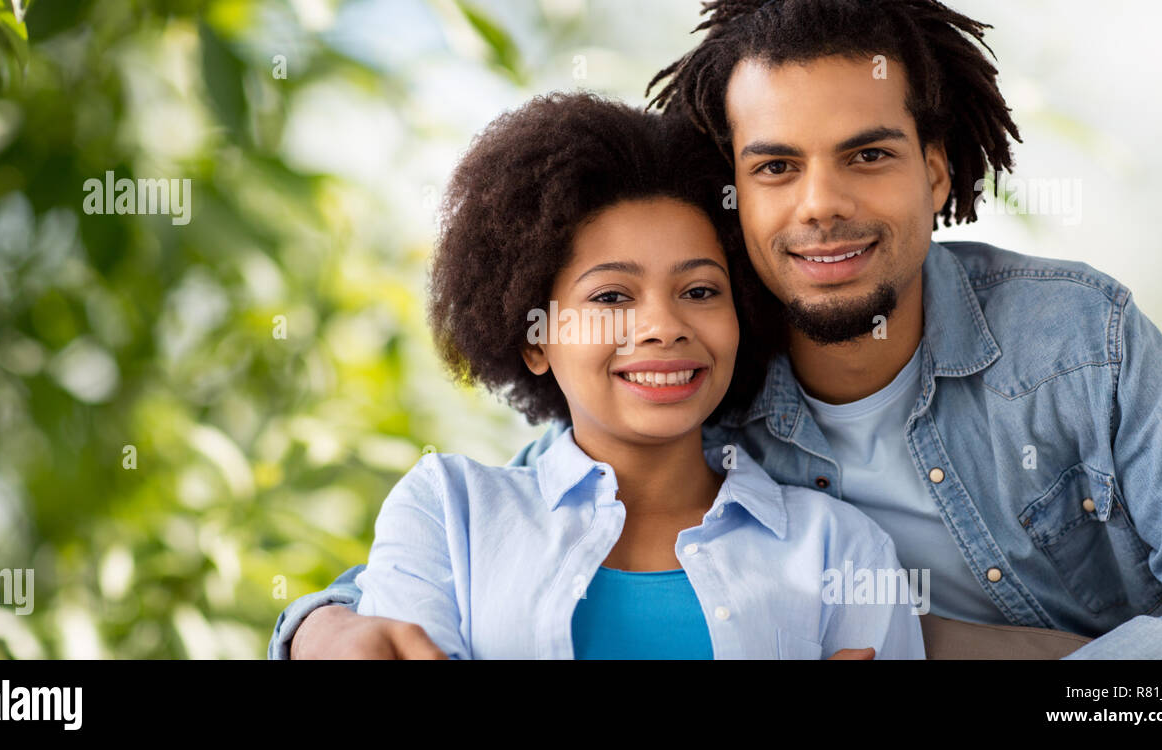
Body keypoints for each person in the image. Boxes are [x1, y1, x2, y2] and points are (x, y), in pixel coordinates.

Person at [274, 0, 1162, 660]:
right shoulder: (695, 384)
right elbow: (484, 526)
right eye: (775, 167)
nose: (821, 206)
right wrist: (320, 627)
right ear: (731, 196)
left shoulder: (1075, 340)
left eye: (867, 154)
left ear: (937, 173)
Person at [300, 91, 925, 659]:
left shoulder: (840, 549)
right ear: (535, 336)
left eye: (702, 290)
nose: (663, 326)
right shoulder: (448, 511)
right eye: (610, 297)